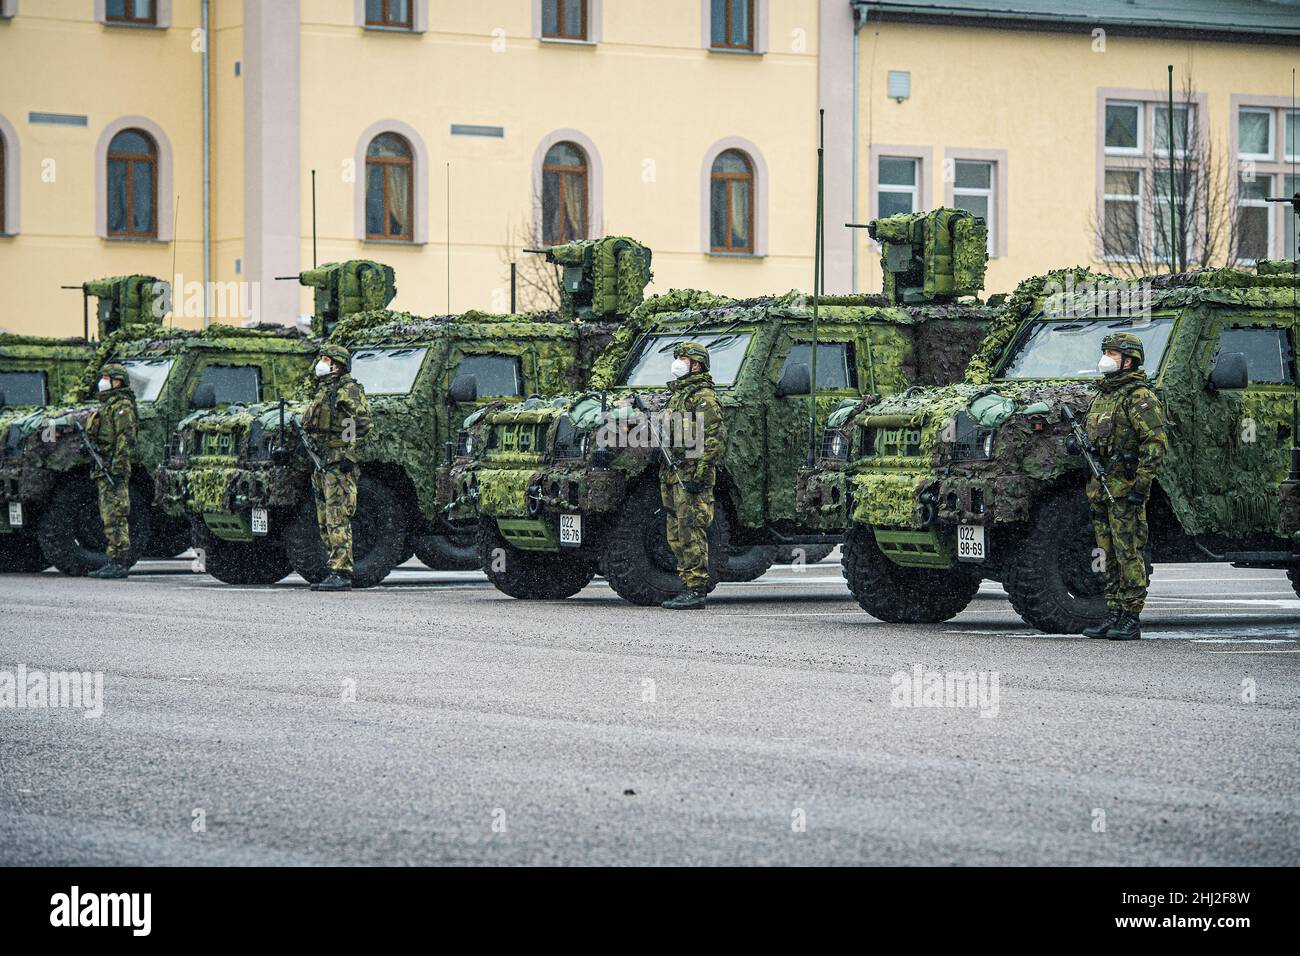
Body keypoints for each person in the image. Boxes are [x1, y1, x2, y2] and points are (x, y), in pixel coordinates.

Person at [1081, 332, 1168, 641]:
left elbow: (1155, 444)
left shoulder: (1139, 396)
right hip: (1101, 489)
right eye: (1105, 352)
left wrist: (1140, 486)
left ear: (1129, 361)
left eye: (1113, 354)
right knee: (1106, 553)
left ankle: (1130, 616)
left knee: (1128, 552)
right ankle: (1114, 612)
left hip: (1125, 490)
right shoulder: (1102, 395)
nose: (1106, 358)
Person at [659, 342, 727, 610]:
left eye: (683, 359)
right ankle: (687, 582)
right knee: (676, 531)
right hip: (674, 473)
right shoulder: (679, 395)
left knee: (692, 529)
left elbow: (714, 439)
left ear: (696, 365)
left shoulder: (704, 398)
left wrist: (699, 473)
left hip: (691, 473)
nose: (678, 363)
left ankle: (696, 587)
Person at [301, 344, 372, 591]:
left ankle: (342, 572)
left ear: (337, 365)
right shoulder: (325, 390)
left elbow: (361, 424)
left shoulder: (347, 390)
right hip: (323, 464)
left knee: (337, 516)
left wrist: (349, 455)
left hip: (337, 464)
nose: (320, 363)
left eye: (325, 359)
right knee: (325, 519)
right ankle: (334, 567)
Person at [87, 363, 138, 580]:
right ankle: (113, 559)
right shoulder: (108, 405)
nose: (103, 381)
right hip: (104, 468)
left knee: (116, 514)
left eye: (107, 377)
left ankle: (119, 561)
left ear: (117, 381)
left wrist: (117, 468)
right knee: (108, 516)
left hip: (113, 470)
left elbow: (126, 440)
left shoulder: (122, 406)